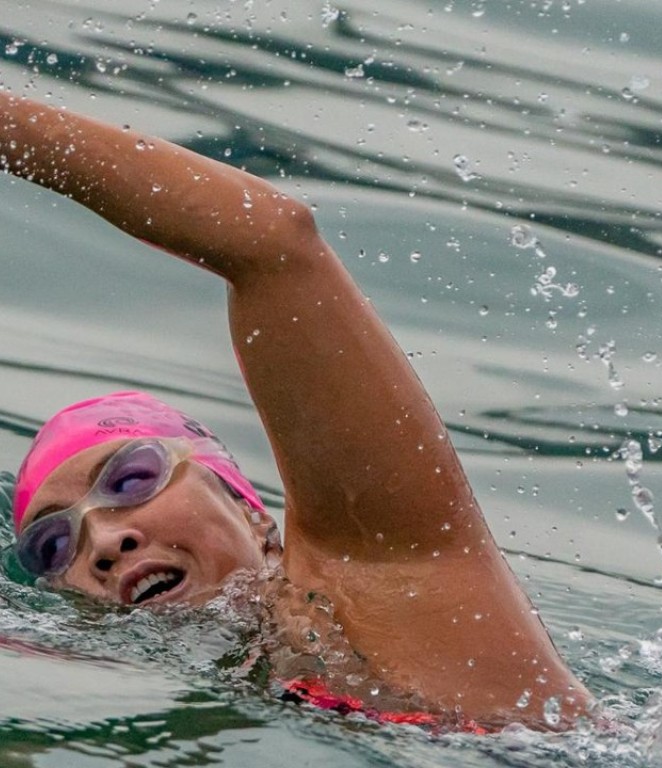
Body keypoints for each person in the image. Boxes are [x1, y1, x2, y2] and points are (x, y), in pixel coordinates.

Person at [0, 89, 592, 731]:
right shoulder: (201, 709)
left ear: (249, 511)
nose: (107, 540)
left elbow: (270, 242)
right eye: (52, 545)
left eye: (131, 479)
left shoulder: (381, 573)